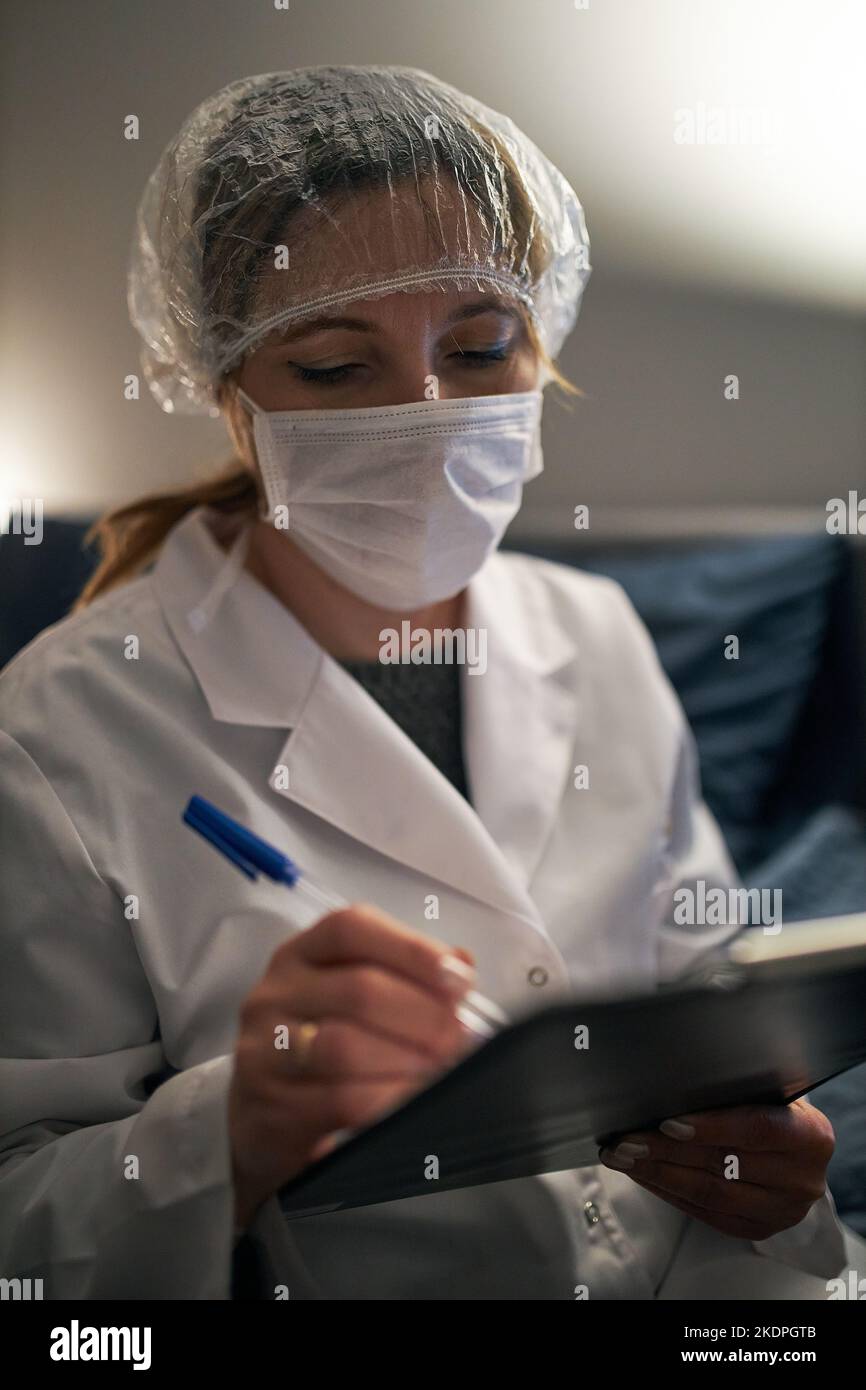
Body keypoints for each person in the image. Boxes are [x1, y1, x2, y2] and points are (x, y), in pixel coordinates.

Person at [1, 65, 863, 1301]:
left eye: (476, 347)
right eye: (337, 370)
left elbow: (706, 992)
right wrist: (229, 1130)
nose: (425, 412)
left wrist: (774, 1175)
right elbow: (21, 1220)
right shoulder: (63, 727)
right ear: (225, 387)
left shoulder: (595, 629)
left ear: (541, 346)